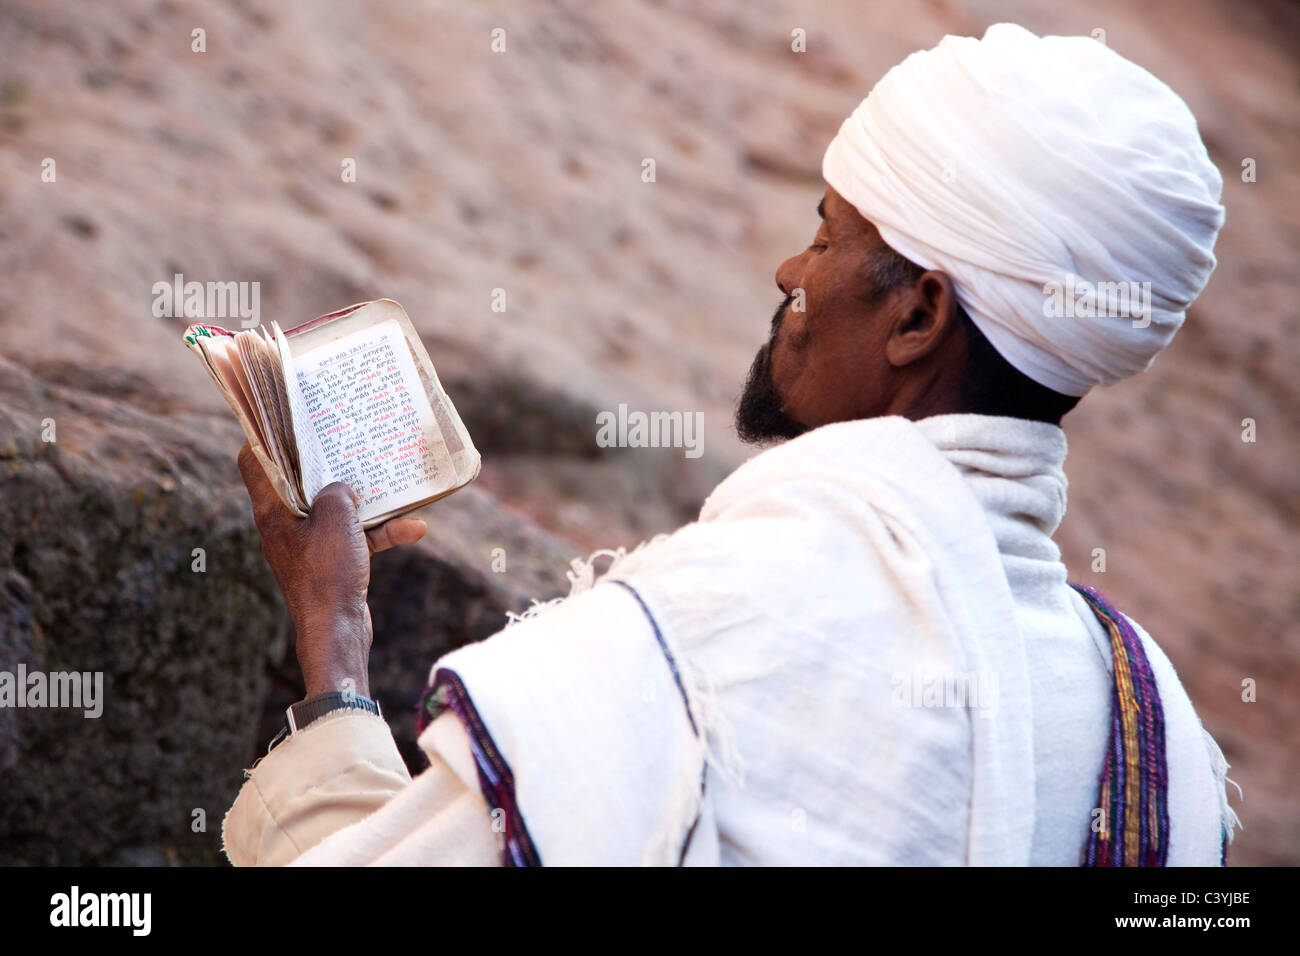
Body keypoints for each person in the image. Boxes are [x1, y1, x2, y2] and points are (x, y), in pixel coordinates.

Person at [222, 23, 1239, 866]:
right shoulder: (1158, 735)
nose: (790, 267)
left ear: (918, 318)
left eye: (829, 235)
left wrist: (335, 639)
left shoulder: (708, 630)